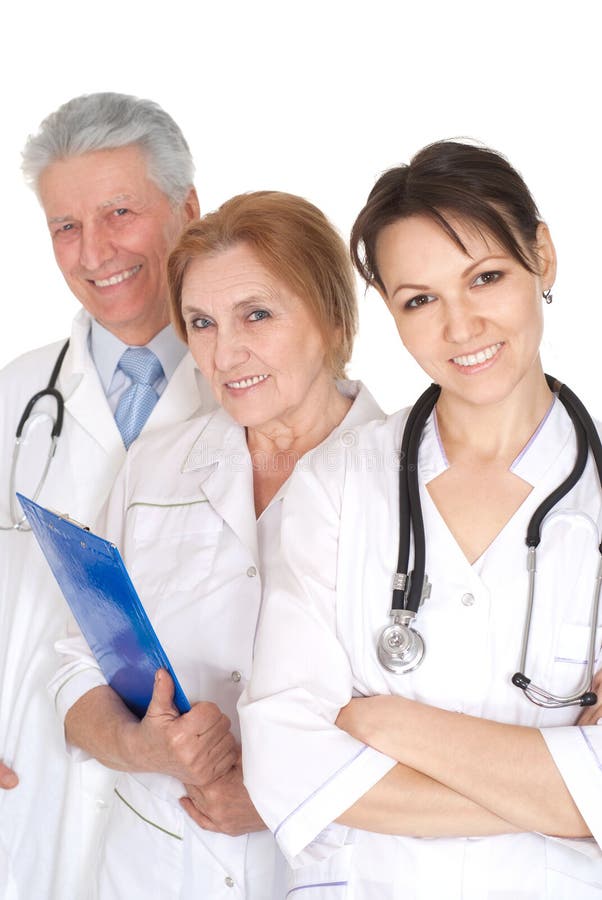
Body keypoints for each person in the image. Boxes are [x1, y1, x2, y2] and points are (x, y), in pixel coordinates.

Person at [239, 141, 602, 898]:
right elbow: (282, 760)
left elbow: (333, 761)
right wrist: (562, 793)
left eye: (487, 278)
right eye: (418, 299)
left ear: (544, 255)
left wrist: (394, 727)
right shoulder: (339, 483)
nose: (461, 326)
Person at [49, 190, 384, 899]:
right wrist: (143, 746)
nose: (225, 354)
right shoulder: (155, 463)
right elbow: (76, 661)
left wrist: (280, 793)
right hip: (159, 863)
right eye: (200, 323)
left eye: (256, 315)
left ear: (329, 314)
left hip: (335, 864)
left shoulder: (410, 476)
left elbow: (458, 707)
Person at [0, 92, 215, 900]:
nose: (95, 252)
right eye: (65, 225)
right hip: (29, 786)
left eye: (119, 211)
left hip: (182, 811)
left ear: (188, 209)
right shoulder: (16, 395)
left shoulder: (252, 393)